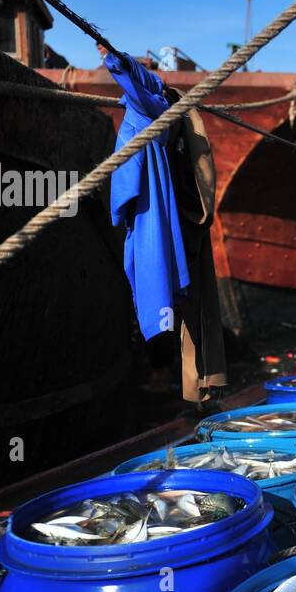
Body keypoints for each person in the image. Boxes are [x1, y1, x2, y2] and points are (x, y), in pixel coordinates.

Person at [99, 44, 227, 409]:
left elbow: (137, 84)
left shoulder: (148, 109)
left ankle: (162, 374)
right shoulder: (161, 111)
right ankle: (180, 380)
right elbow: (142, 83)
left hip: (148, 223)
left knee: (152, 291)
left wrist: (115, 59)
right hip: (162, 221)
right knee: (167, 296)